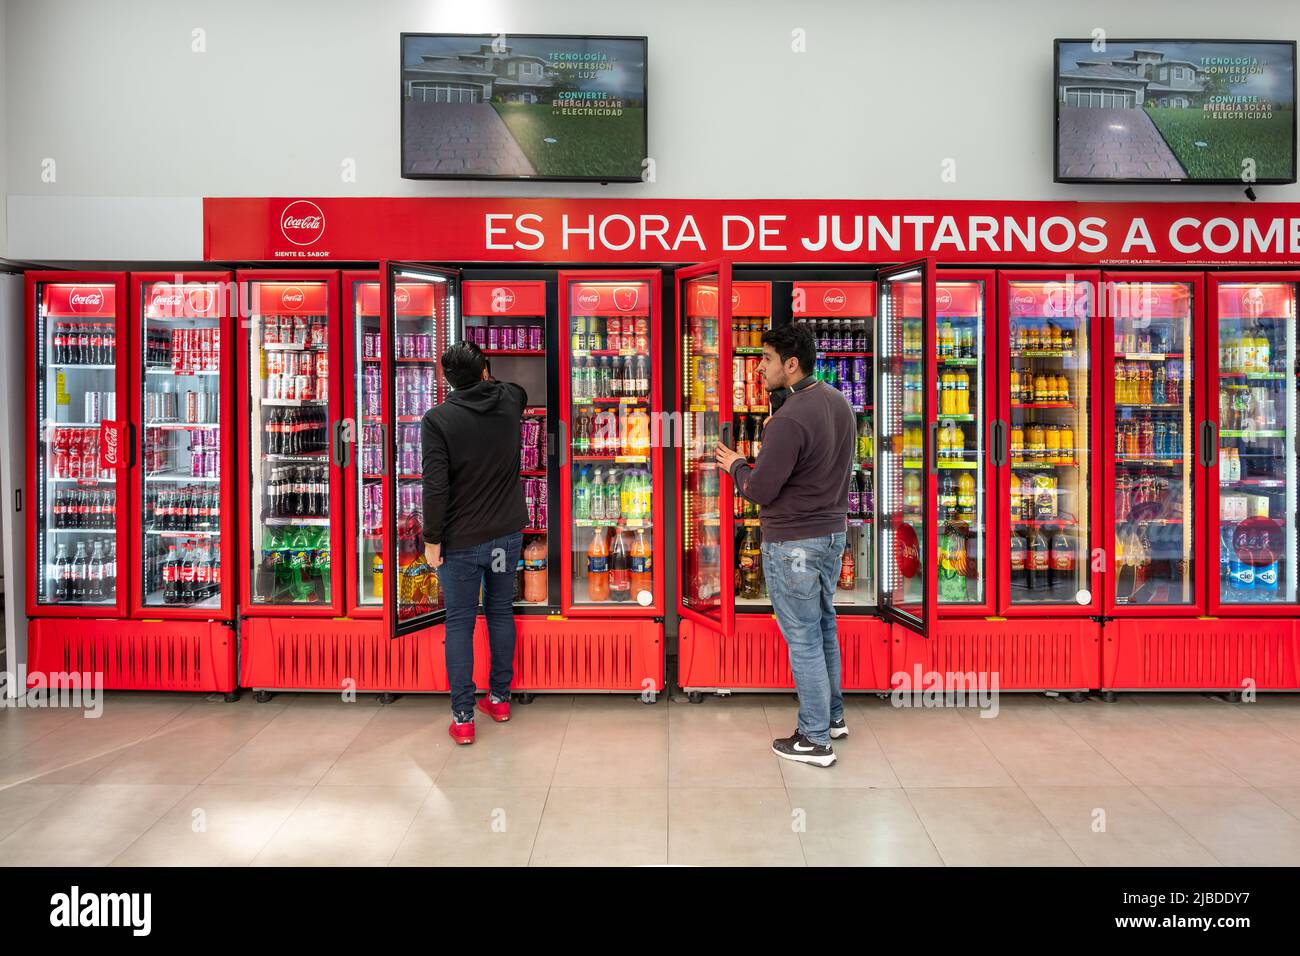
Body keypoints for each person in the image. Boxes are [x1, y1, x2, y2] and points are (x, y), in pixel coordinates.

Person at [715, 323, 854, 767]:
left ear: (790, 364)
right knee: (824, 626)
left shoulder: (788, 419)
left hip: (794, 540)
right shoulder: (838, 402)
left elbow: (759, 490)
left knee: (803, 638)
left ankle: (814, 739)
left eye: (767, 359)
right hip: (833, 534)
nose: (760, 366)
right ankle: (833, 718)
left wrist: (736, 465)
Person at [422, 341, 528, 745]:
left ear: (446, 379)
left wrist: (432, 539)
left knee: (461, 624)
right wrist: (487, 374)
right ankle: (499, 699)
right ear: (486, 369)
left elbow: (435, 487)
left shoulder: (438, 418)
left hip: (460, 541)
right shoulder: (508, 400)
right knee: (500, 612)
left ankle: (463, 718)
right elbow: (514, 389)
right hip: (505, 535)